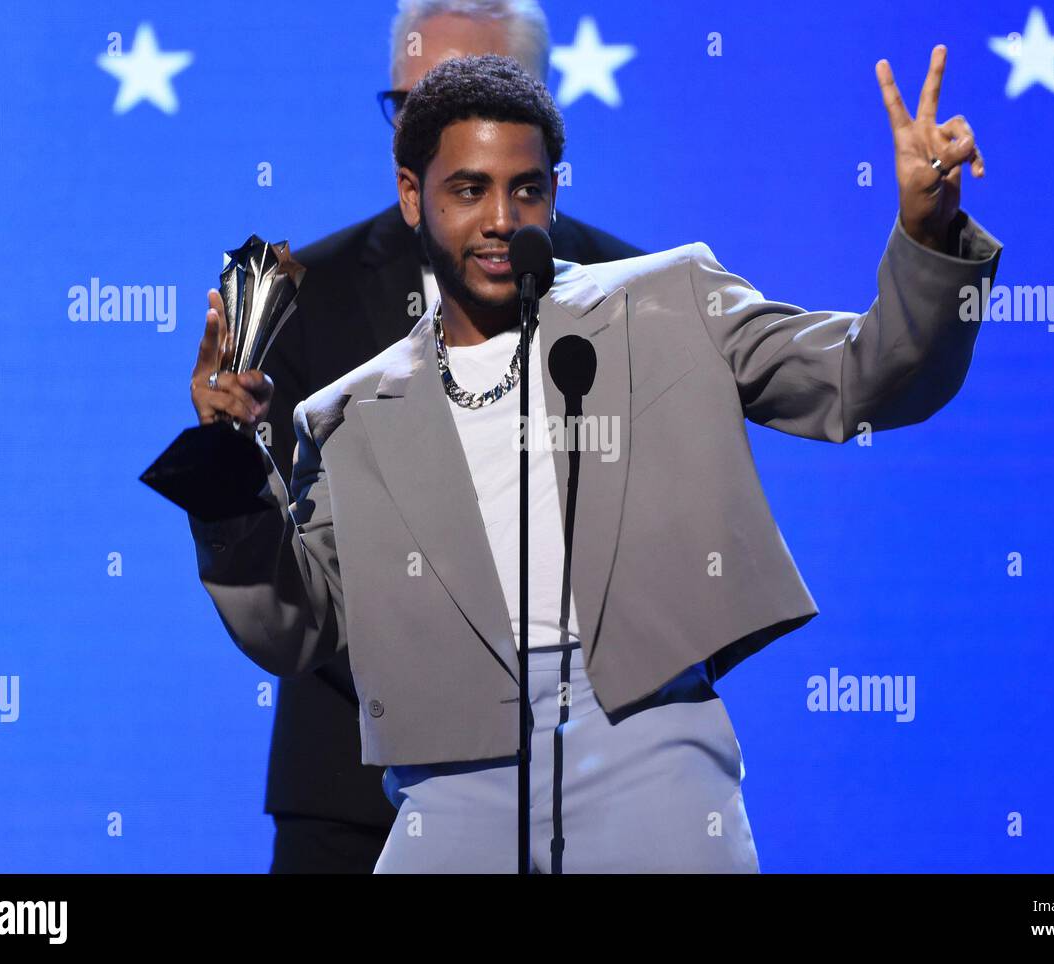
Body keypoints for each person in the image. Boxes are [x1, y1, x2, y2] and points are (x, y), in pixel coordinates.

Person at [187, 48, 1001, 872]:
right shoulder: (351, 411)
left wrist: (925, 234)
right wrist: (226, 473)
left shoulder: (668, 302)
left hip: (648, 739)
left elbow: (864, 375)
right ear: (411, 197)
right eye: (469, 189)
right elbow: (300, 621)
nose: (502, 218)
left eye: (527, 188)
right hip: (452, 770)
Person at [254, 0, 644, 874]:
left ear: (539, 114)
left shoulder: (627, 295)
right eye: (410, 107)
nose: (428, 133)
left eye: (467, 96)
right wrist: (223, 457)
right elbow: (289, 574)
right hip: (352, 792)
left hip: (591, 788)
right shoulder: (302, 295)